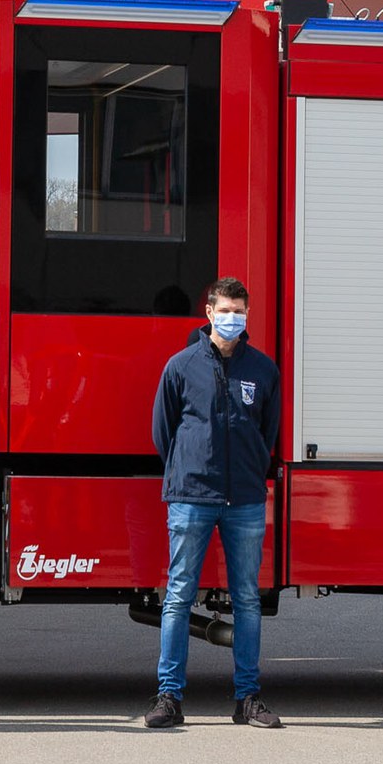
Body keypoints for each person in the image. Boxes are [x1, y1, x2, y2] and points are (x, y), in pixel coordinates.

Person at [145, 277, 283, 730]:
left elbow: (269, 433)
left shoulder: (263, 370)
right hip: (191, 497)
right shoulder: (181, 367)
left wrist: (249, 469)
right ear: (208, 313)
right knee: (179, 596)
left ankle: (248, 699)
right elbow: (164, 432)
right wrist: (189, 469)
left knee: (247, 598)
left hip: (244, 499)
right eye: (225, 310)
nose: (232, 318)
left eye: (239, 310)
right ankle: (169, 697)